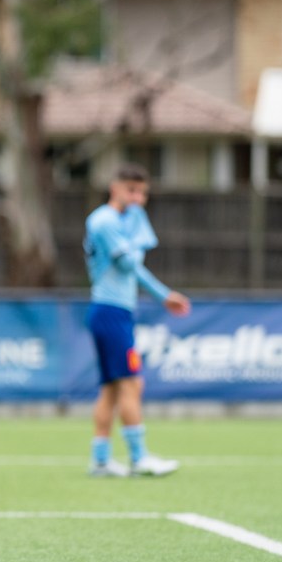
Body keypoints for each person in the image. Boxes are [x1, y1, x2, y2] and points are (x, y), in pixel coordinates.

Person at [83, 162, 190, 478]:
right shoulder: (103, 221)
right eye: (132, 191)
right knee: (132, 383)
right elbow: (131, 265)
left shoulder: (124, 217)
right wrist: (164, 294)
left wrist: (134, 211)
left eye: (143, 193)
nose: (139, 199)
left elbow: (140, 244)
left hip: (112, 311)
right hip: (111, 311)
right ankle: (139, 458)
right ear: (114, 188)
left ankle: (101, 460)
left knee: (111, 390)